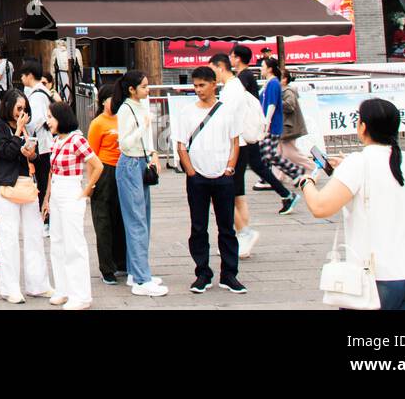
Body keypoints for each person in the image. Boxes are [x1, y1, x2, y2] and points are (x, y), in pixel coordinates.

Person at [295, 98, 405, 310]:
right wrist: (345, 169)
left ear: (363, 127)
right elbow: (387, 184)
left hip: (377, 277)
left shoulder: (358, 163)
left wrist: (306, 182)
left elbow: (320, 207)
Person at [173, 66, 245, 295]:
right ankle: (202, 273)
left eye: (202, 85)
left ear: (214, 84)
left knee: (227, 228)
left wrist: (230, 168)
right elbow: (181, 145)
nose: (198, 90)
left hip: (223, 176)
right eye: (195, 85)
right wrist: (191, 172)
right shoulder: (187, 112)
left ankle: (229, 274)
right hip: (198, 177)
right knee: (198, 227)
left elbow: (235, 142)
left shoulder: (227, 111)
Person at [211, 52, 286, 257]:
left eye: (212, 70)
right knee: (237, 195)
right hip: (241, 145)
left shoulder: (231, 89)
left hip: (234, 146)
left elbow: (226, 120)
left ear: (219, 67)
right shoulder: (236, 86)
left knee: (223, 195)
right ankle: (243, 238)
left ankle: (244, 232)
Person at [0, 88, 51, 303]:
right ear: (8, 107)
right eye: (18, 108)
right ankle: (10, 287)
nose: (21, 113)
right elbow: (4, 152)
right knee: (10, 237)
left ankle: (38, 284)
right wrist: (17, 134)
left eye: (24, 109)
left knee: (34, 234)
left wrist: (31, 154)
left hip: (27, 185)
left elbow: (34, 158)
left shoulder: (26, 129)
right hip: (6, 186)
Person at [44, 101, 102, 310]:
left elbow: (97, 165)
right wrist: (47, 199)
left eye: (51, 117)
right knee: (57, 241)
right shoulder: (57, 141)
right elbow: (52, 171)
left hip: (71, 190)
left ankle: (81, 295)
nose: (48, 121)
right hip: (57, 191)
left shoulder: (77, 140)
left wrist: (86, 191)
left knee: (74, 244)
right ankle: (63, 289)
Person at [114, 70, 166, 297]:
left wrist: (153, 153)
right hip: (130, 163)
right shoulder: (125, 109)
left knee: (142, 218)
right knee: (136, 221)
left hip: (141, 162)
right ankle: (141, 279)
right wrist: (143, 128)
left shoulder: (139, 106)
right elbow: (124, 142)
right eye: (144, 86)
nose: (147, 90)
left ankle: (137, 271)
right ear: (131, 89)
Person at [86, 84, 126, 284]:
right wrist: (91, 183)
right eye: (113, 98)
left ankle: (122, 262)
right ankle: (107, 268)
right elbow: (90, 155)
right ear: (103, 101)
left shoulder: (123, 118)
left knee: (121, 218)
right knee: (103, 221)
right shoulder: (98, 123)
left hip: (123, 171)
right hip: (104, 171)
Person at [258, 56, 305, 203]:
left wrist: (267, 122)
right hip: (271, 124)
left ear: (270, 68)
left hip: (273, 125)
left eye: (263, 66)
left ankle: (296, 172)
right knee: (267, 153)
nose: (261, 68)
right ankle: (290, 173)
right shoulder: (269, 83)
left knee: (268, 153)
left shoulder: (273, 83)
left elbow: (271, 105)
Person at [21, 62, 54, 215]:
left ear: (30, 75)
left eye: (23, 75)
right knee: (44, 178)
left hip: (42, 144)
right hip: (45, 143)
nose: (21, 78)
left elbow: (37, 120)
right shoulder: (42, 91)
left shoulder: (37, 95)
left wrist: (24, 123)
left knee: (42, 180)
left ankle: (45, 215)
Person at [278, 66, 316, 176]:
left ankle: (312, 167)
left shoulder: (288, 91)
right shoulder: (286, 91)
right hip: (287, 126)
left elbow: (290, 106)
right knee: (282, 153)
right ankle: (280, 177)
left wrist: (276, 101)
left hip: (288, 127)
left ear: (284, 79)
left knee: (290, 153)